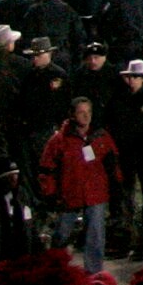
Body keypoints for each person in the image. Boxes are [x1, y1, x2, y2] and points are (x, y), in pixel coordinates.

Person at [36, 95, 118, 271]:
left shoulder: (100, 136)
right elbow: (47, 168)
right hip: (69, 194)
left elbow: (113, 163)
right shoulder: (59, 140)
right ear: (72, 115)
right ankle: (55, 268)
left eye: (89, 112)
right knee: (61, 234)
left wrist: (116, 184)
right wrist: (50, 193)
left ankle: (94, 273)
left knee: (95, 235)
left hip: (95, 193)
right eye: (81, 113)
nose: (86, 116)